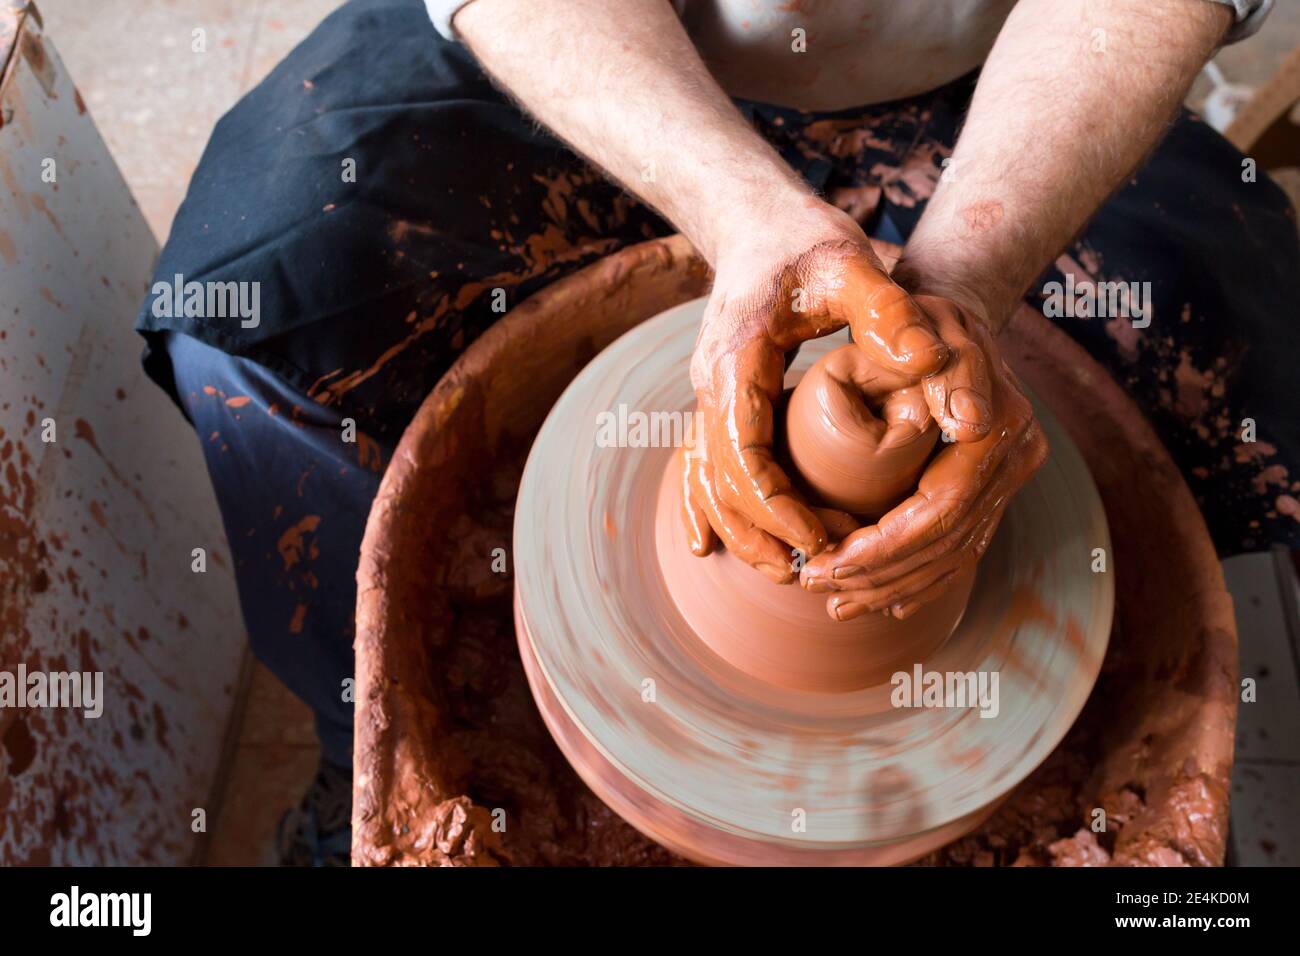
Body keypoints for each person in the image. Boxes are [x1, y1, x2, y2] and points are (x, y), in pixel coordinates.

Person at [136, 0, 1296, 864]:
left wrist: (966, 286)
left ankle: (1133, 732)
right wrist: (741, 212)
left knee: (1246, 343)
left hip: (1005, 79)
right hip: (606, 55)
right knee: (257, 291)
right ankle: (368, 731)